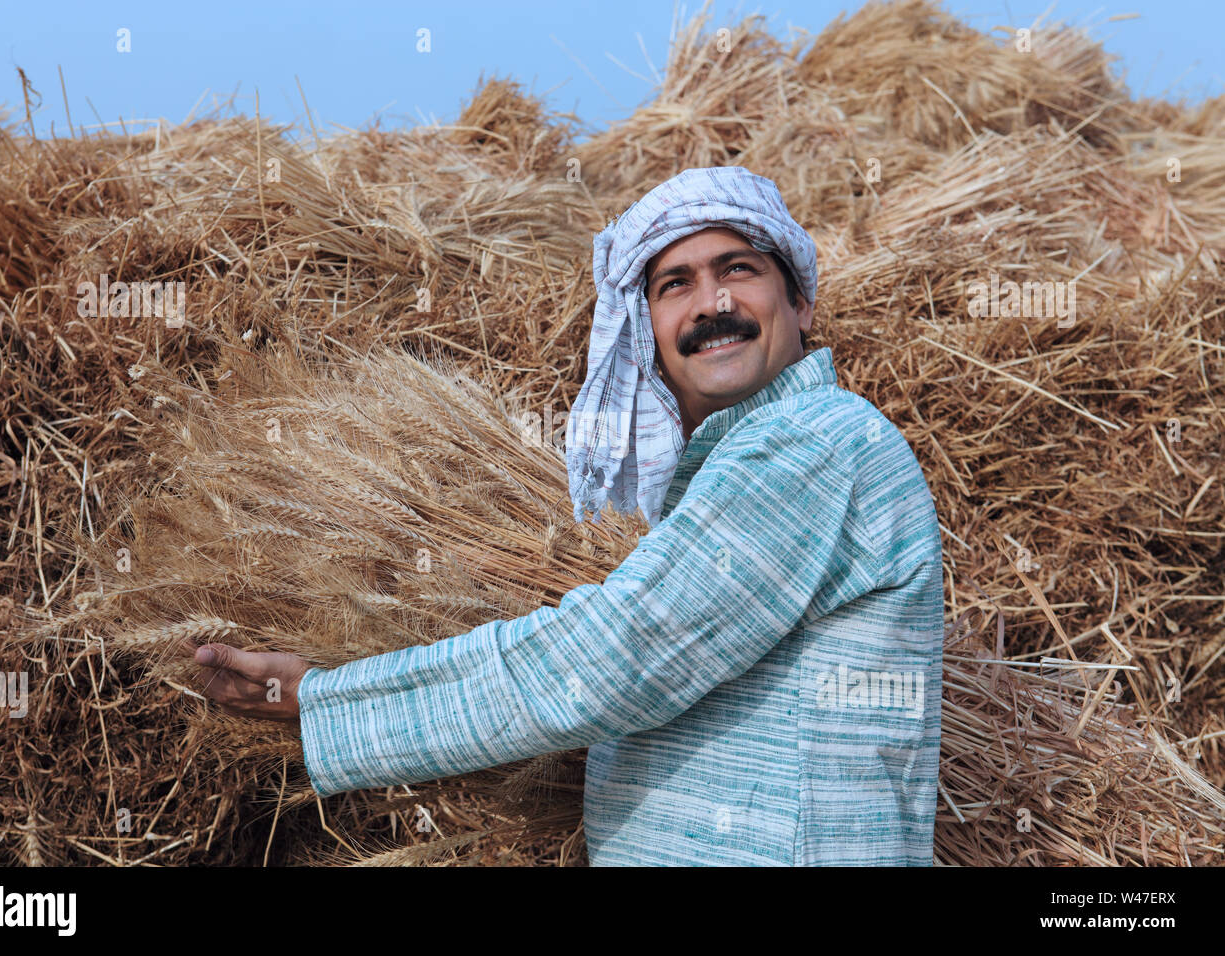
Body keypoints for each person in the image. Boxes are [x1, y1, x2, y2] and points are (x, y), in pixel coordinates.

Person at [194, 166, 945, 866]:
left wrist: (322, 702)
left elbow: (617, 657)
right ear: (645, 328)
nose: (712, 304)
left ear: (800, 300)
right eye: (674, 284)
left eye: (739, 270)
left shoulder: (814, 442)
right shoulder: (730, 469)